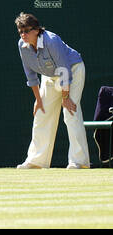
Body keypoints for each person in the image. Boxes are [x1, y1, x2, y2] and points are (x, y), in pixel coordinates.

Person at [15, 12, 90, 169]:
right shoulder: (22, 46)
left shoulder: (51, 40)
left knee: (70, 113)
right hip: (49, 76)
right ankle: (36, 161)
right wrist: (38, 100)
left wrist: (66, 97)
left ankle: (79, 161)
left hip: (72, 71)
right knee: (41, 114)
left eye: (26, 30)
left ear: (36, 30)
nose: (23, 34)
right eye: (20, 31)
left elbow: (64, 70)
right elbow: (31, 76)